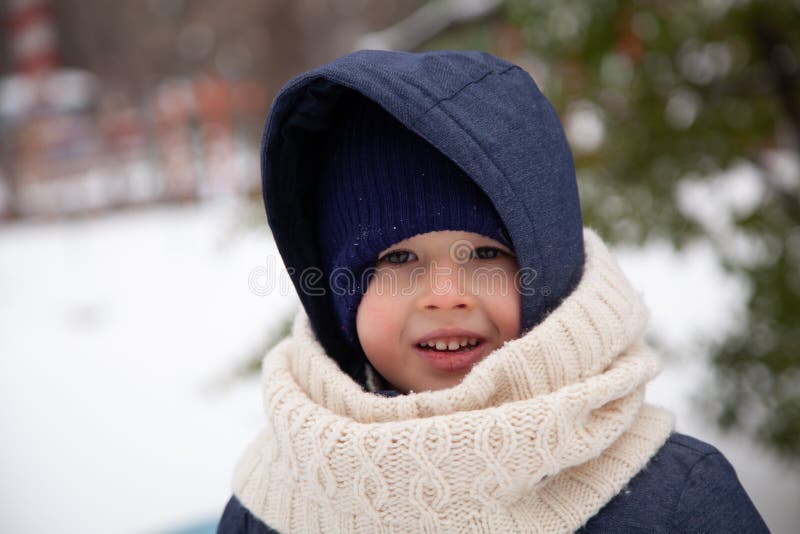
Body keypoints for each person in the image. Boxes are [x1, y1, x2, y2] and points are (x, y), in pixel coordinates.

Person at [218, 50, 768, 533]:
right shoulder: (273, 501)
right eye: (399, 258)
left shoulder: (673, 499)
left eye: (485, 254)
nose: (445, 295)